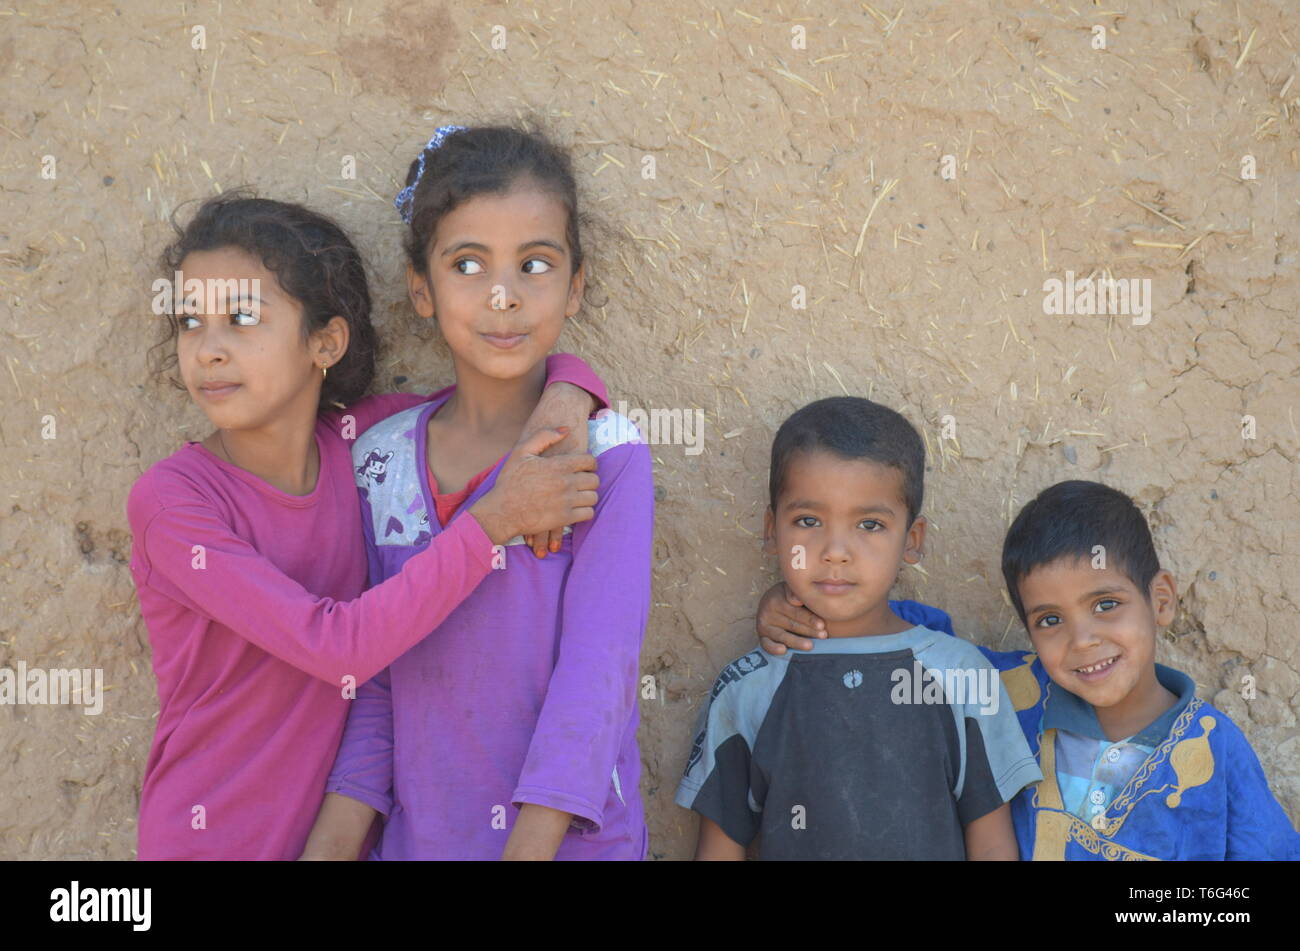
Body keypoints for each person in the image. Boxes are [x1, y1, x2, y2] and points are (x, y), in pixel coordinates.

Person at [128, 192, 609, 859]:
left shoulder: (364, 443)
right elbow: (339, 645)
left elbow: (488, 398)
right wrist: (492, 522)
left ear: (326, 341)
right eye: (189, 321)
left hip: (341, 838)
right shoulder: (174, 502)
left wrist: (571, 386)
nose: (208, 349)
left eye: (241, 317)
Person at [301, 124, 652, 860]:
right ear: (421, 292)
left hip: (565, 845)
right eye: (468, 264)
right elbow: (378, 678)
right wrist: (333, 842)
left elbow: (599, 671)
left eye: (534, 264)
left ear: (576, 285)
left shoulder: (607, 456)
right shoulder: (379, 464)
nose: (503, 295)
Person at [675, 396, 1040, 859]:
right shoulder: (746, 688)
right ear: (772, 531)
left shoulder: (960, 677)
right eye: (808, 521)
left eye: (869, 524)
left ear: (912, 540)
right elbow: (720, 849)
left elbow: (991, 843)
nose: (835, 550)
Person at [983, 480, 1300, 860]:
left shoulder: (1215, 747)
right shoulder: (1017, 695)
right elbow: (916, 651)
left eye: (1105, 604)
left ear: (1161, 600)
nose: (1082, 640)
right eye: (1050, 619)